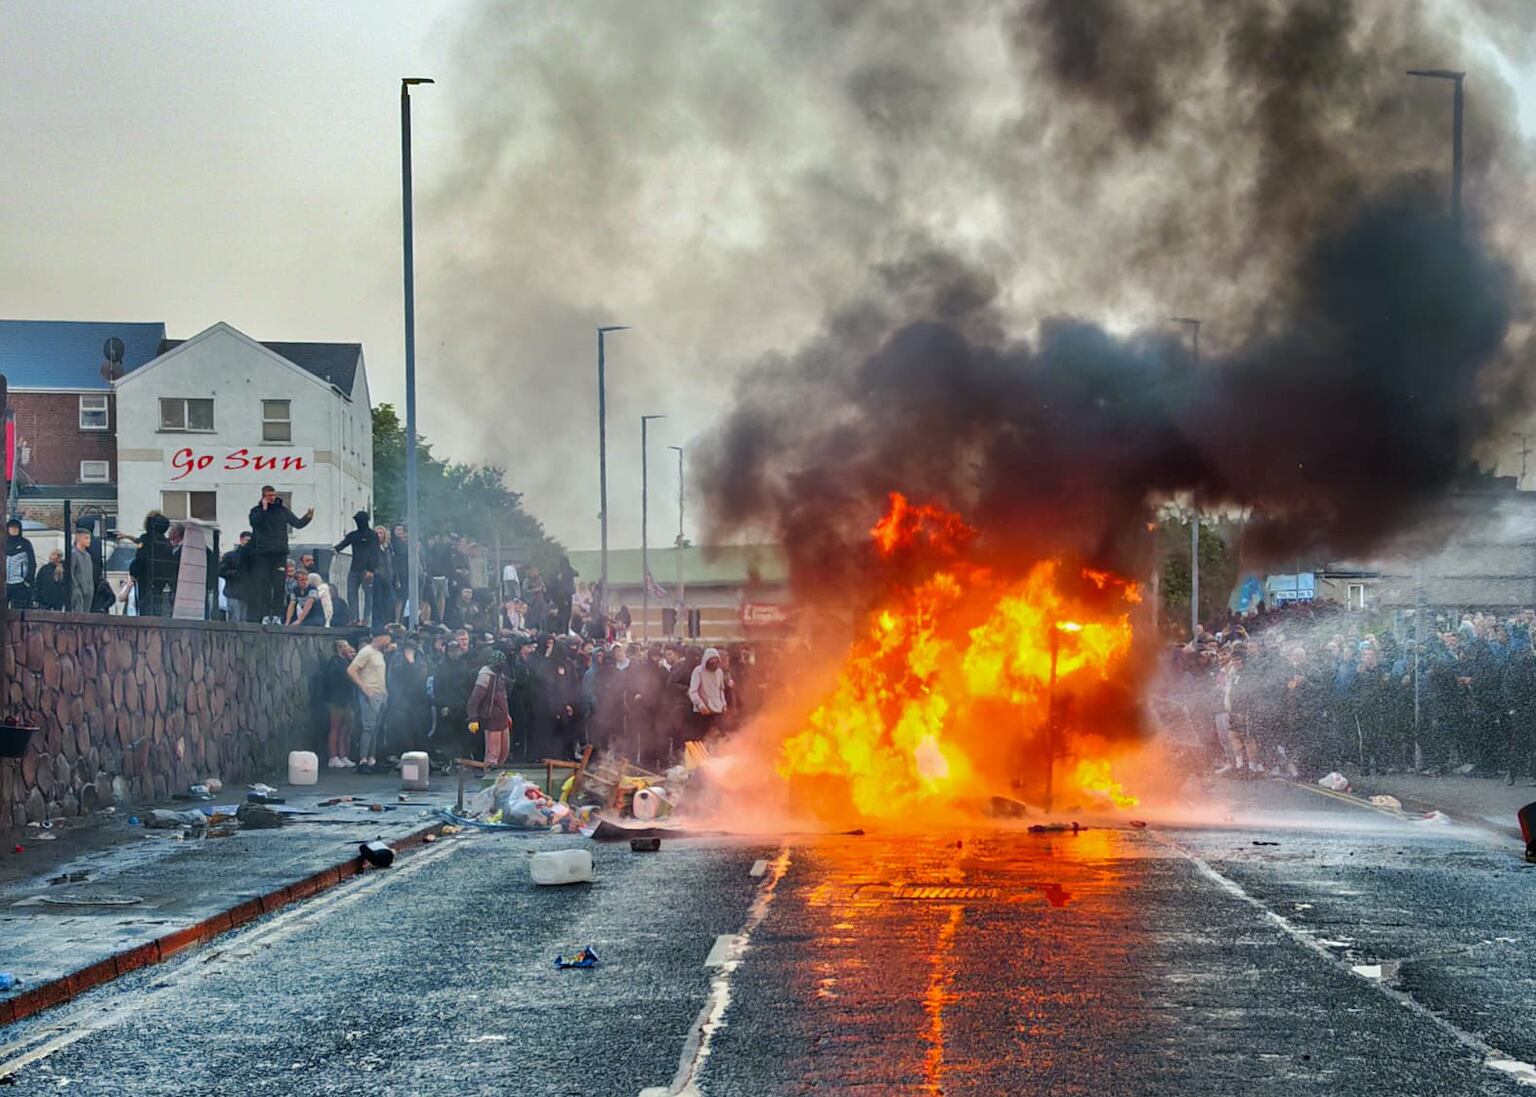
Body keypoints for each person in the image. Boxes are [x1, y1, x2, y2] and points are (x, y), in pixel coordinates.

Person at [247, 486, 313, 624]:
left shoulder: (283, 510)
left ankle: (277, 615)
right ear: (263, 496)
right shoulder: (256, 511)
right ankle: (264, 615)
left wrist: (308, 517)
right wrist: (264, 510)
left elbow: (297, 523)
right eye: (269, 495)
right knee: (264, 585)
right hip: (263, 553)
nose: (272, 497)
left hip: (279, 553)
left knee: (279, 586)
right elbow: (254, 523)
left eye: (274, 495)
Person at [347, 628, 393, 773]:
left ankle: (372, 758)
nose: (389, 642)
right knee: (368, 727)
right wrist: (364, 688)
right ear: (381, 637)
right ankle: (363, 759)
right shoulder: (366, 652)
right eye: (388, 638)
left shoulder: (379, 653)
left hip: (381, 695)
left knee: (376, 728)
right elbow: (351, 670)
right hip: (370, 694)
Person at [333, 510, 381, 626]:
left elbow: (375, 552)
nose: (357, 522)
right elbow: (343, 544)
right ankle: (354, 619)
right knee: (351, 593)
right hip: (354, 568)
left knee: (368, 595)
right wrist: (335, 549)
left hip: (366, 570)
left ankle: (366, 619)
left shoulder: (372, 535)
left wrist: (371, 570)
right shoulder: (354, 535)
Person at [468, 649, 512, 768]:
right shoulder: (485, 676)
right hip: (491, 719)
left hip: (502, 718)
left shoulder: (500, 675)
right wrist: (473, 719)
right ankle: (489, 779)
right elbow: (474, 700)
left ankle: (498, 779)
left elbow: (503, 697)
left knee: (504, 752)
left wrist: (507, 715)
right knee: (493, 755)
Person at [128, 512, 176, 618]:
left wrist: (133, 572)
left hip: (145, 579)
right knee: (157, 607)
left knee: (145, 609)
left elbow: (140, 558)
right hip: (160, 582)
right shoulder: (167, 543)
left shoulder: (146, 539)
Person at [323, 639, 358, 768]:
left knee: (344, 728)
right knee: (335, 728)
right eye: (346, 646)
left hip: (346, 698)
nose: (348, 648)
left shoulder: (345, 661)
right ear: (340, 648)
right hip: (336, 699)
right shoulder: (334, 662)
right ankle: (333, 756)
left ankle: (343, 756)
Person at [687, 647, 730, 743]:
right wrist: (700, 704)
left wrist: (723, 703)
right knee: (702, 737)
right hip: (702, 711)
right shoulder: (698, 671)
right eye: (712, 662)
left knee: (719, 735)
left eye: (716, 662)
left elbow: (721, 689)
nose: (714, 664)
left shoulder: (719, 672)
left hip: (717, 709)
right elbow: (693, 691)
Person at [68, 528, 105, 614]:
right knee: (78, 614)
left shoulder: (88, 556)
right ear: (78, 538)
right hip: (78, 590)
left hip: (89, 589)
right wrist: (76, 587)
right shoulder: (73, 554)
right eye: (86, 538)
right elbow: (70, 572)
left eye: (89, 538)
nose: (89, 541)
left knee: (86, 614)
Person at [219, 531, 251, 622]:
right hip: (233, 591)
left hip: (246, 593)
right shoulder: (231, 556)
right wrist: (235, 574)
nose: (248, 543)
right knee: (235, 619)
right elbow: (221, 571)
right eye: (247, 540)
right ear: (241, 540)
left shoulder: (253, 557)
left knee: (244, 620)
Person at [4, 518, 35, 609]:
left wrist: (27, 580)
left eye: (16, 528)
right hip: (4, 584)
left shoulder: (25, 543)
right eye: (11, 527)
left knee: (18, 612)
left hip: (20, 584)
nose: (14, 530)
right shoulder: (2, 543)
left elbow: (32, 563)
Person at [371, 526, 394, 629]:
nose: (379, 535)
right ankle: (378, 625)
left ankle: (386, 623)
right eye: (377, 533)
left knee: (388, 602)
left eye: (381, 533)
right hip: (377, 577)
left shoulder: (387, 547)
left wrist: (395, 578)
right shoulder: (371, 547)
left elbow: (392, 563)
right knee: (377, 603)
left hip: (387, 578)